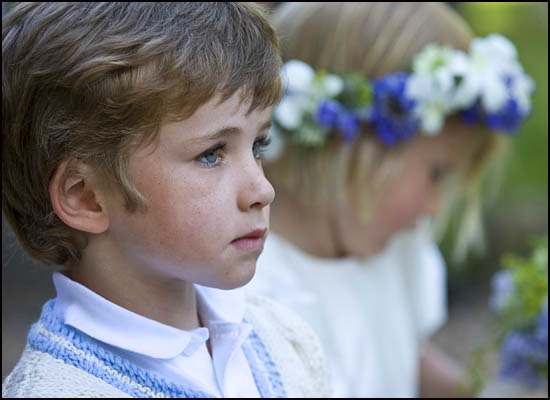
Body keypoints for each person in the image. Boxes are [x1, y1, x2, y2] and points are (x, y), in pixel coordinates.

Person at [1, 3, 330, 397]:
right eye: (211, 154)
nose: (262, 190)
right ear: (85, 197)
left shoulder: (282, 340)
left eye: (259, 144)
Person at [245, 2, 535, 398]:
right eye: (436, 174)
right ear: (348, 145)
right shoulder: (250, 287)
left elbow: (405, 358)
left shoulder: (397, 253)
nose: (434, 208)